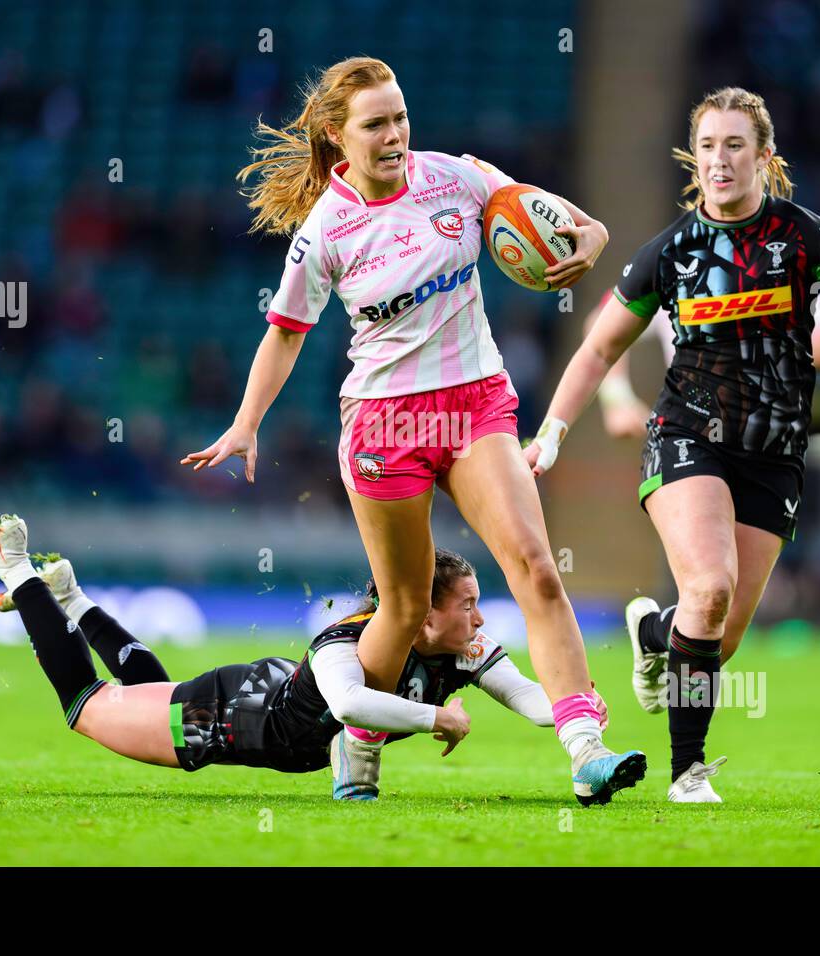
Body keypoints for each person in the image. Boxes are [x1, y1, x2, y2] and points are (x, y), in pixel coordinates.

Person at [178, 56, 644, 805]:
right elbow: (287, 332)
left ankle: (586, 750)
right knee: (400, 607)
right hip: (383, 422)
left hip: (474, 403)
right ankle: (360, 741)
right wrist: (245, 422)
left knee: (535, 564)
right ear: (337, 135)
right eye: (376, 124)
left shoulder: (457, 176)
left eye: (400, 117)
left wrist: (586, 244)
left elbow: (580, 225)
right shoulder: (326, 228)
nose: (395, 134)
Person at [526, 87, 820, 803]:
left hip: (777, 451)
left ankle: (655, 635)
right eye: (707, 147)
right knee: (710, 587)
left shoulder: (806, 236)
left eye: (734, 146)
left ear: (764, 155)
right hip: (687, 434)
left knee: (714, 637)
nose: (720, 160)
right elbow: (598, 350)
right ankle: (688, 774)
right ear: (693, 161)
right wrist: (551, 432)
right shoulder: (669, 253)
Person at [0, 516, 627, 804]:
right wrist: (432, 717)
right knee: (84, 707)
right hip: (230, 717)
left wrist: (571, 713)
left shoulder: (461, 649)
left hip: (248, 701)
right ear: (424, 609)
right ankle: (14, 561)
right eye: (468, 604)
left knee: (150, 691)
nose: (480, 618)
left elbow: (527, 695)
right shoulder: (345, 640)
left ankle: (71, 596)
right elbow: (350, 706)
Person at [591, 291, 820, 442]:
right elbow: (601, 322)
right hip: (692, 432)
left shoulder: (779, 269)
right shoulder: (675, 269)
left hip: (764, 436)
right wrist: (618, 398)